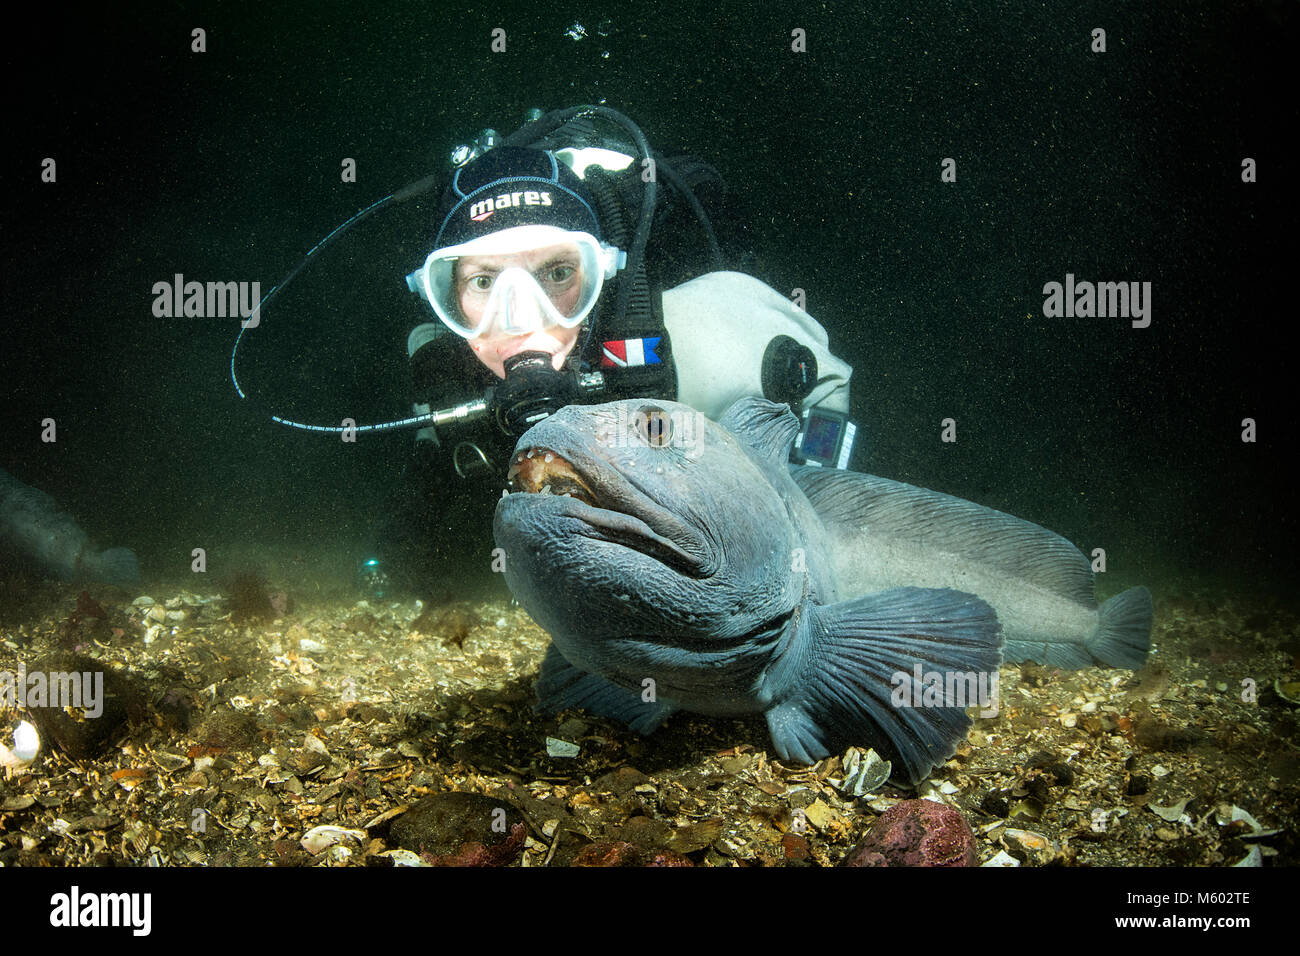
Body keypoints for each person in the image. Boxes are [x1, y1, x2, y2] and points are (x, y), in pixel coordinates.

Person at [367, 108, 857, 597]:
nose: (521, 320)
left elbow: (828, 378)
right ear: (444, 300)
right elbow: (417, 535)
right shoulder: (443, 375)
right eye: (483, 281)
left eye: (558, 274)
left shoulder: (698, 340)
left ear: (601, 273)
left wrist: (805, 533)